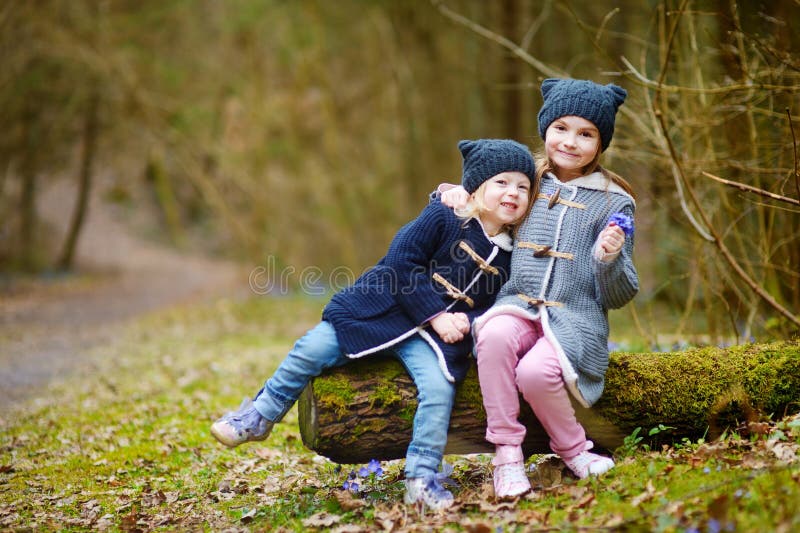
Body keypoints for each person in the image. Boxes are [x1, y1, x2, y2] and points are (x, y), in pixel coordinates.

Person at [211, 139, 536, 510]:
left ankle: (422, 476)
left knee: (439, 390)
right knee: (313, 346)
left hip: (436, 340)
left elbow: (502, 304)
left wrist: (469, 319)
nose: (512, 193)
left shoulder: (515, 253)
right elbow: (402, 259)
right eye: (502, 183)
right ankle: (260, 414)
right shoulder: (445, 216)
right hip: (384, 307)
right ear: (477, 187)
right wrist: (437, 313)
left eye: (523, 187)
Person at [439, 78, 639, 499]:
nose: (570, 141)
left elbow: (619, 295)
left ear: (601, 143)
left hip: (575, 317)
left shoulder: (614, 201)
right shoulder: (526, 179)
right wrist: (458, 198)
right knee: (490, 334)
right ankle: (507, 454)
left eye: (586, 134)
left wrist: (608, 258)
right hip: (518, 304)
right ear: (545, 128)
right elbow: (486, 207)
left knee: (535, 372)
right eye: (561, 128)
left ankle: (574, 450)